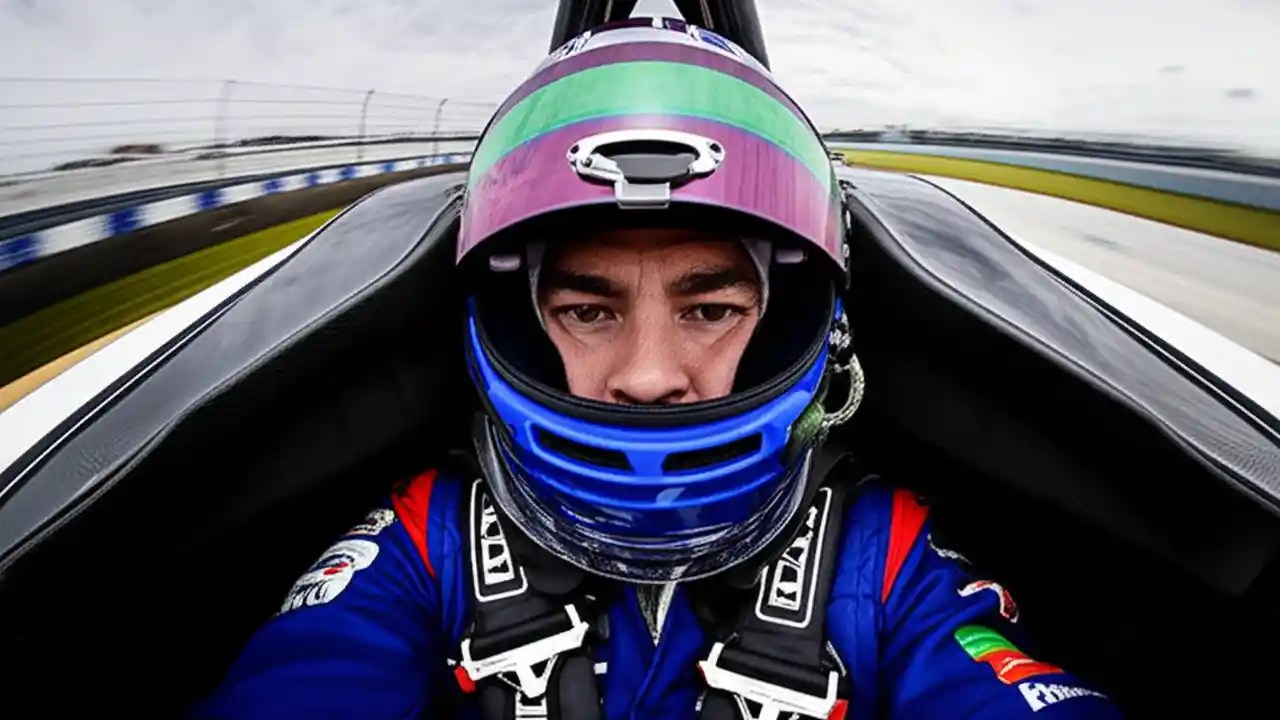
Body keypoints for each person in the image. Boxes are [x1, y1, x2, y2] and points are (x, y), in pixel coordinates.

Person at [190, 18, 1123, 720]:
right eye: (588, 310)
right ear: (516, 326)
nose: (648, 377)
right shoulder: (426, 542)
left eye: (711, 309)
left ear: (796, 324)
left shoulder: (885, 559)